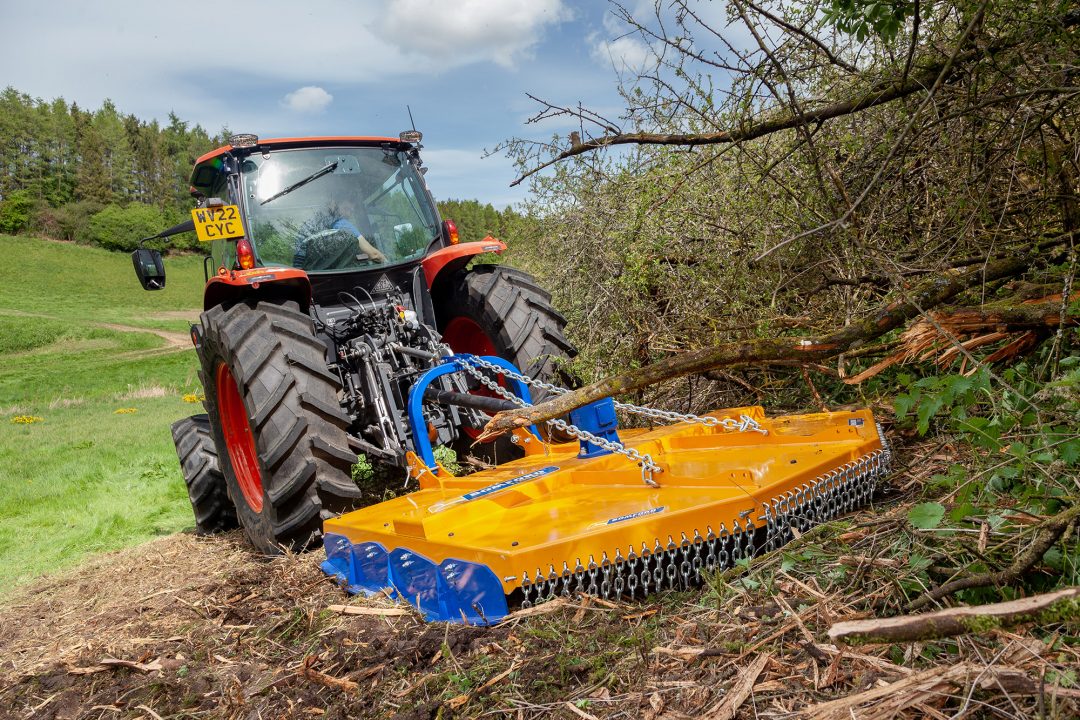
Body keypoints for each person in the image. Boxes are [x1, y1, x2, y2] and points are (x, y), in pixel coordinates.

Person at [294, 193, 387, 270]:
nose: (349, 214)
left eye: (351, 211)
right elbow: (374, 254)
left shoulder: (312, 223)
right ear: (334, 204)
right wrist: (387, 261)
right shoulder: (340, 223)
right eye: (346, 208)